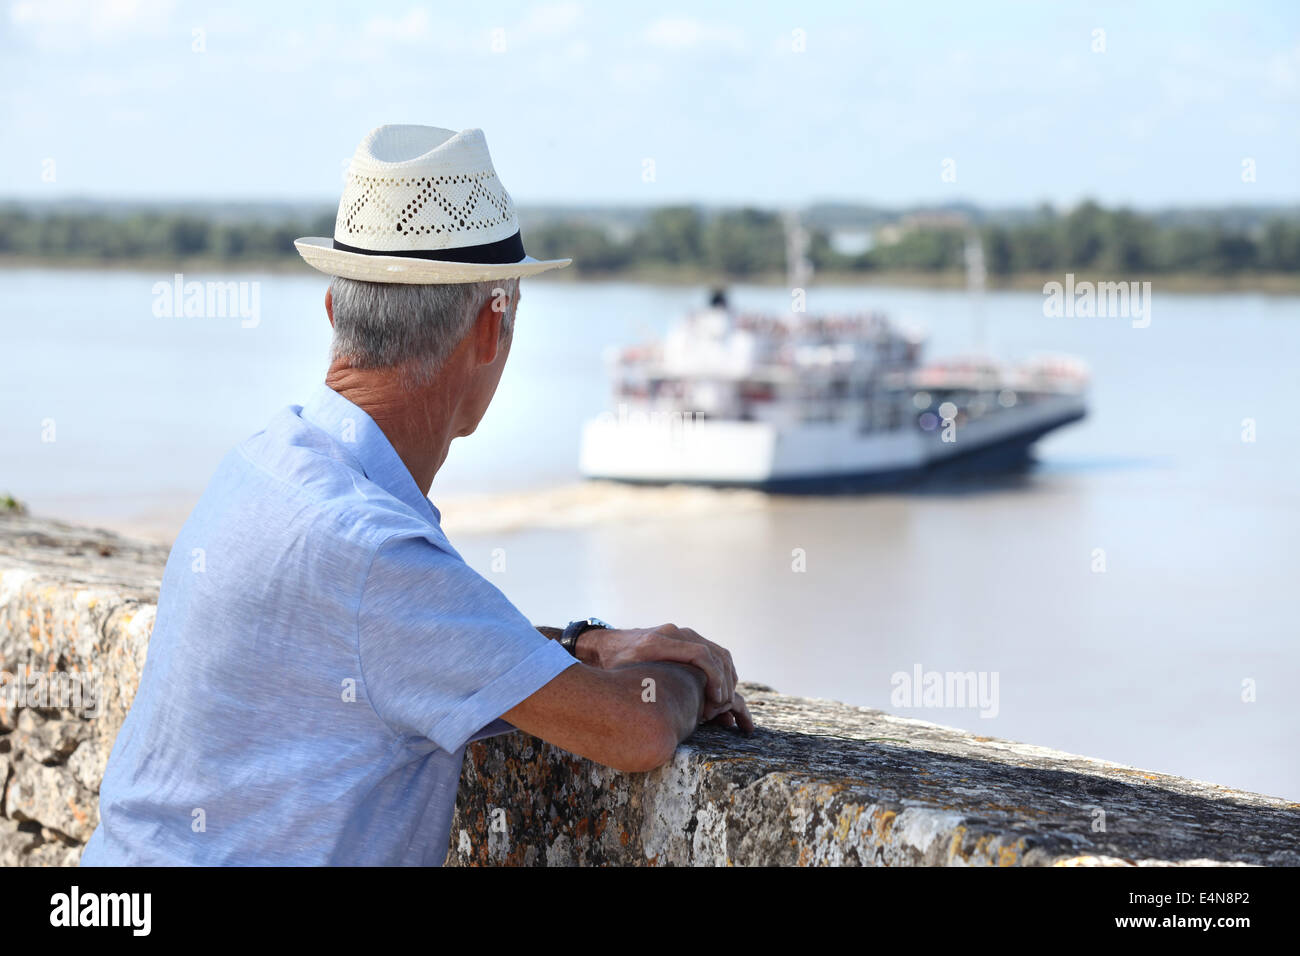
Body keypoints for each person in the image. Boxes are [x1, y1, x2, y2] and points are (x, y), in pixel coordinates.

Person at [81, 124, 751, 866]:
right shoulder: (371, 550)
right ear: (492, 326)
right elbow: (637, 732)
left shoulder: (265, 465)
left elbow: (402, 645)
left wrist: (582, 646)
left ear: (335, 314)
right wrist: (690, 676)